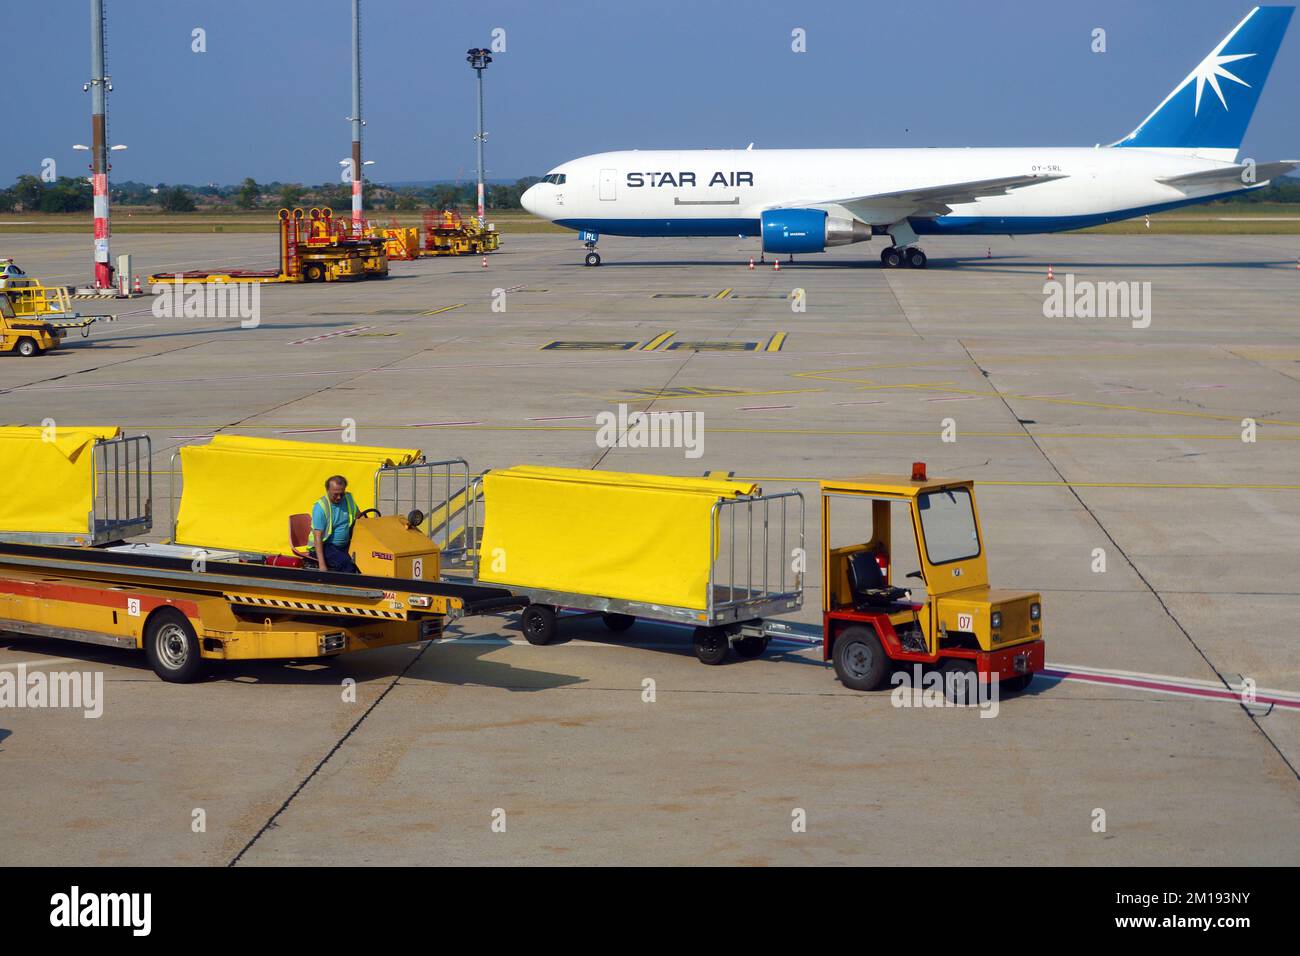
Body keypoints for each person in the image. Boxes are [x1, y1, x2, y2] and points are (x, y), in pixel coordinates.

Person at [311, 475, 360, 573]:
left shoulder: (348, 499)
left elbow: (360, 517)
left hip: (344, 545)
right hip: (325, 546)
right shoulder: (320, 507)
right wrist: (322, 565)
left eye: (342, 494)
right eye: (335, 494)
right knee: (347, 564)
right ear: (327, 490)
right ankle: (346, 587)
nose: (339, 497)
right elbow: (318, 537)